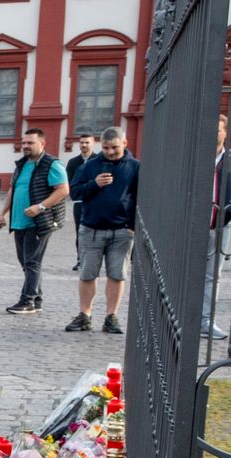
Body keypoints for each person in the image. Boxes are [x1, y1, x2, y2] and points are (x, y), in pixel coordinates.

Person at [66, 127, 138, 335]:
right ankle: (85, 315)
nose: (110, 152)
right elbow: (75, 192)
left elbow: (140, 197)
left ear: (124, 143)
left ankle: (111, 317)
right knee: (88, 273)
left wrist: (132, 226)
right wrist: (94, 184)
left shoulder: (135, 167)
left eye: (114, 147)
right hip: (91, 228)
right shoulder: (91, 165)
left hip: (122, 230)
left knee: (117, 274)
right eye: (106, 148)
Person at [0, 127, 69, 315]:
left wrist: (41, 206)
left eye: (30, 143)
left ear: (42, 143)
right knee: (26, 262)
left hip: (40, 221)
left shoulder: (52, 164)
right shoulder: (21, 165)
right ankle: (37, 300)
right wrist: (3, 214)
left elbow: (63, 190)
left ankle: (27, 301)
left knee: (32, 262)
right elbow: (13, 190)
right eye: (24, 143)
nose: (25, 146)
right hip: (19, 221)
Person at [205, 114, 231, 339]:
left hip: (221, 224)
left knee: (213, 275)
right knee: (188, 271)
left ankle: (206, 320)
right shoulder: (196, 154)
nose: (214, 134)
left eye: (218, 130)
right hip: (194, 225)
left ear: (225, 132)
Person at [66, 133, 97, 272]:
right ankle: (80, 259)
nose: (84, 145)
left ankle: (94, 259)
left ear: (93, 143)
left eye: (87, 142)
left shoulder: (98, 160)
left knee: (96, 231)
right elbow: (70, 183)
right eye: (82, 142)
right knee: (80, 231)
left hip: (95, 201)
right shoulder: (73, 162)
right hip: (79, 202)